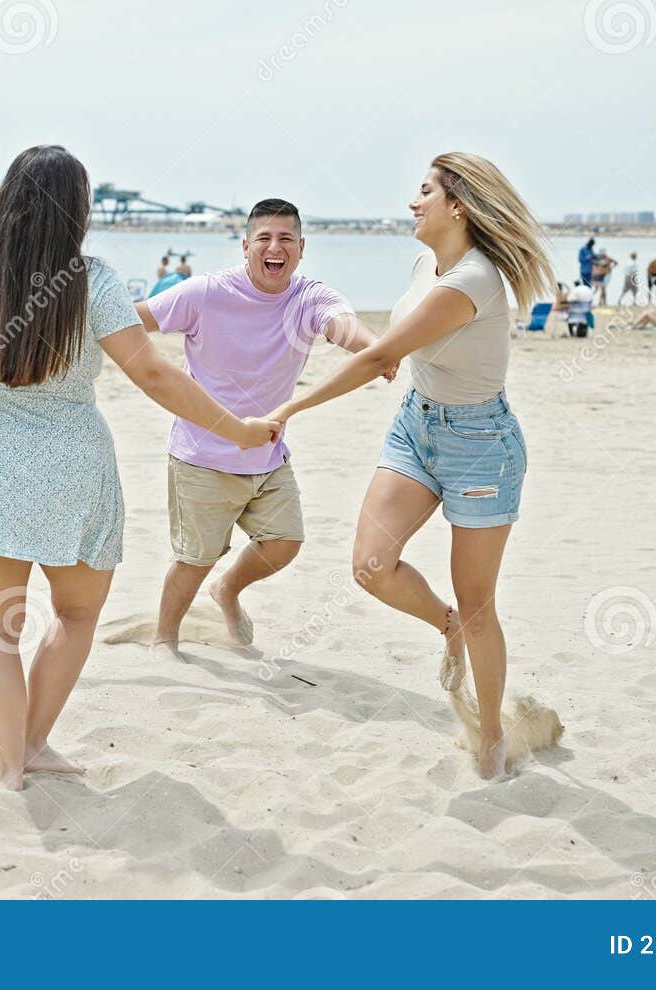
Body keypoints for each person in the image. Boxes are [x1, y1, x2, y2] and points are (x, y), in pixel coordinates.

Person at [0, 145, 277, 790]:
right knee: (75, 617)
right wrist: (236, 428)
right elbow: (153, 373)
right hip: (73, 464)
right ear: (76, 211)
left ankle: (8, 769)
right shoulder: (92, 280)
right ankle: (36, 742)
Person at [264, 152, 555, 780]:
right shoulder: (428, 261)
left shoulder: (472, 280)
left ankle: (493, 733)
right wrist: (389, 351)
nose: (412, 202)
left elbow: (385, 354)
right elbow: (397, 342)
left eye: (425, 192)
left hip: (481, 445)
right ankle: (443, 626)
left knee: (480, 604)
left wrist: (292, 406)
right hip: (418, 424)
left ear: (459, 206)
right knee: (371, 565)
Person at [136, 198, 394, 662]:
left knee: (284, 543)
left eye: (286, 239)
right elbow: (136, 321)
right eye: (264, 238)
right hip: (202, 455)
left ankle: (228, 590)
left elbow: (342, 325)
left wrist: (375, 349)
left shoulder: (309, 297)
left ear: (301, 248)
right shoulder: (204, 293)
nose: (275, 248)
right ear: (246, 245)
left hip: (268, 454)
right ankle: (164, 638)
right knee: (194, 559)